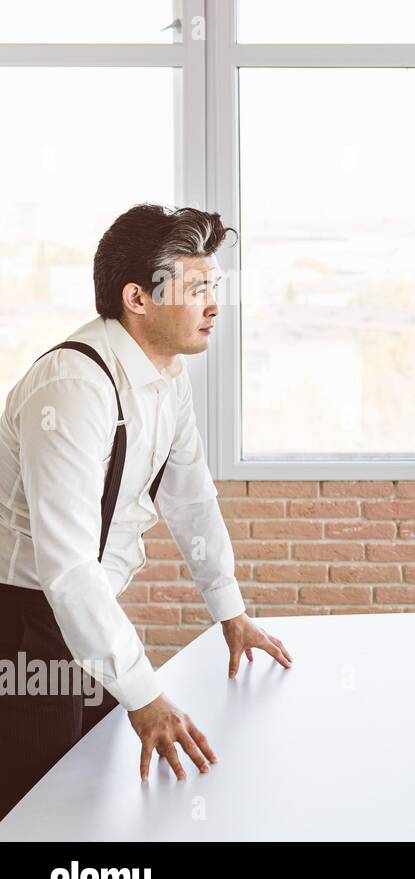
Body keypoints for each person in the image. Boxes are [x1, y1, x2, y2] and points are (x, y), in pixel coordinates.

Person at [0, 204, 292, 820]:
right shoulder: (73, 386)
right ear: (138, 297)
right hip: (23, 622)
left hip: (80, 611)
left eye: (215, 287)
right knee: (32, 807)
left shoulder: (166, 376)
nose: (214, 304)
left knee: (86, 791)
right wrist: (145, 695)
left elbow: (190, 497)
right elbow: (68, 568)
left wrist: (229, 610)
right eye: (195, 289)